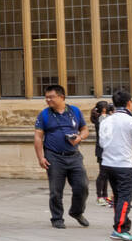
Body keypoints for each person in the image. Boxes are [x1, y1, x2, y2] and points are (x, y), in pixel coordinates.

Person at [34, 84, 90, 229]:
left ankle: (76, 212)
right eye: (46, 97)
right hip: (54, 156)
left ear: (61, 97)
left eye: (51, 97)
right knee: (56, 190)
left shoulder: (75, 111)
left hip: (74, 155)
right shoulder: (44, 114)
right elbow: (38, 137)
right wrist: (41, 157)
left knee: (82, 186)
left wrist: (79, 137)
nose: (47, 100)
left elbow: (84, 129)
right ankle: (57, 218)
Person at [98, 89, 132, 241]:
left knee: (118, 197)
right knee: (125, 197)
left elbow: (102, 142)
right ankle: (120, 229)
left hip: (107, 164)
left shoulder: (106, 120)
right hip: (123, 164)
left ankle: (121, 225)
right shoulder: (131, 121)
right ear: (129, 103)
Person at [90, 101, 114, 205]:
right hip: (102, 149)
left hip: (106, 149)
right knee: (103, 174)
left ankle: (104, 195)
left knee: (106, 175)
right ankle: (99, 196)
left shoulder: (105, 118)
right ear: (103, 109)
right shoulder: (101, 119)